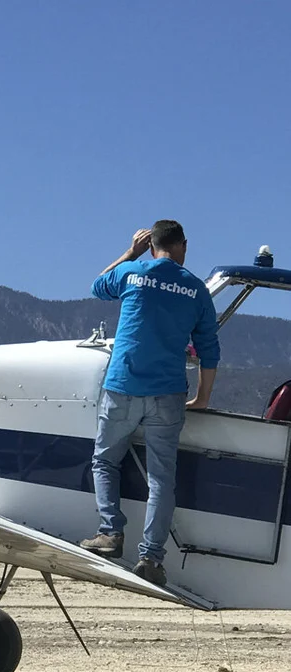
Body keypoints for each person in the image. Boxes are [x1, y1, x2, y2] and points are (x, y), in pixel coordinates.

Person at [80, 221, 220, 585]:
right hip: (169, 393)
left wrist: (130, 252)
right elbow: (209, 348)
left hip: (123, 385)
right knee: (161, 479)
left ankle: (111, 533)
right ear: (182, 246)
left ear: (151, 244)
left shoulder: (132, 272)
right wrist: (202, 396)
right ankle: (152, 559)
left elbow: (97, 285)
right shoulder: (196, 290)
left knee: (105, 460)